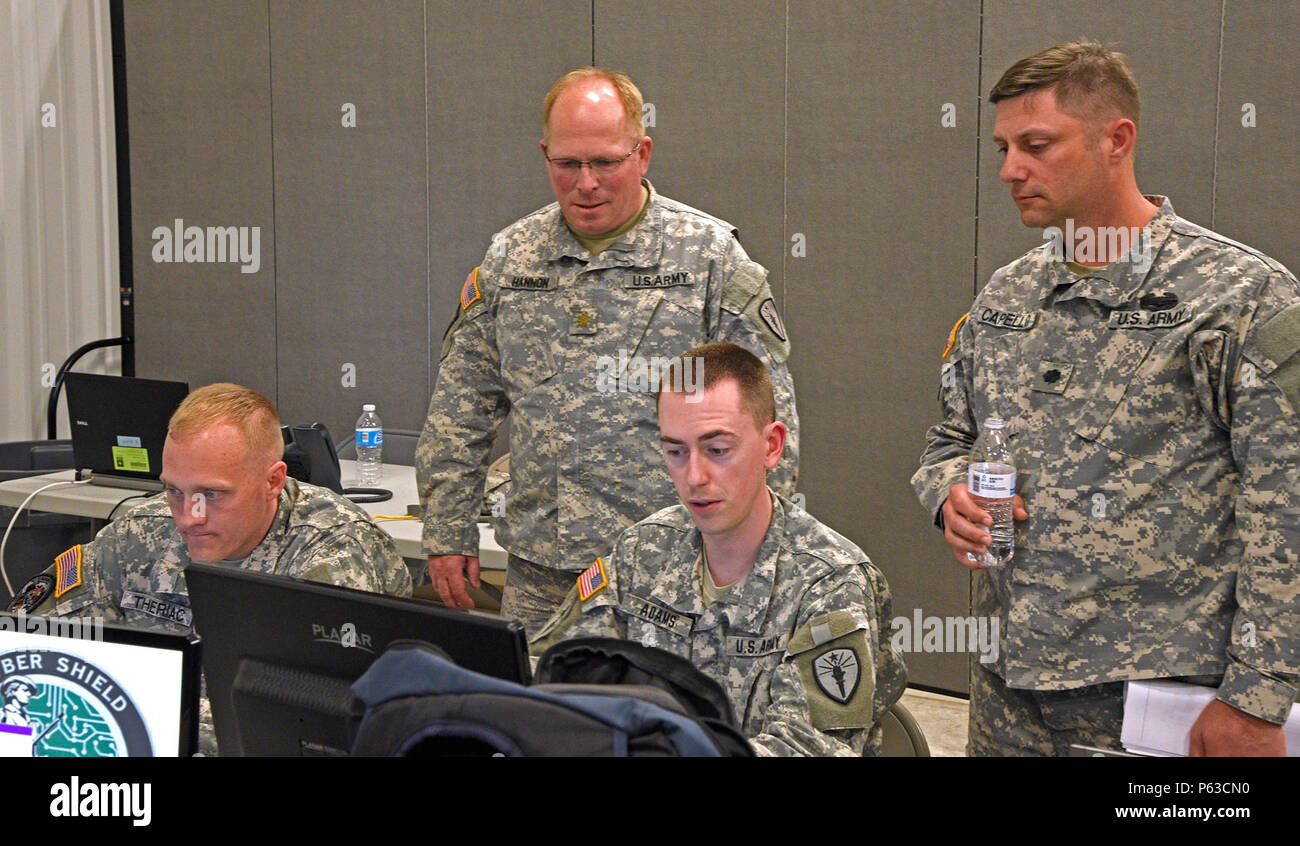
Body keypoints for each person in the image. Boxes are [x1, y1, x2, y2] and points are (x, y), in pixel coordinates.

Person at [911, 41, 1300, 756]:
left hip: (1158, 700)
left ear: (1116, 139)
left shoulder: (1237, 298)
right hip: (1009, 691)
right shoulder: (1005, 298)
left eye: (1036, 145)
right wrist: (950, 495)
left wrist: (1259, 695)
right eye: (1003, 147)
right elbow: (950, 440)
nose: (1010, 170)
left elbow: (1289, 504)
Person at [417, 67, 799, 637]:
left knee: (665, 719)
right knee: (542, 718)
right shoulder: (511, 258)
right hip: (542, 571)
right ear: (545, 155)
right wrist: (447, 529)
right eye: (567, 164)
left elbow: (769, 418)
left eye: (605, 163)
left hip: (676, 569)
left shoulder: (708, 258)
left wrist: (762, 558)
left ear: (642, 153)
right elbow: (462, 405)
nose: (586, 183)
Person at [532, 343, 904, 756]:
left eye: (717, 450)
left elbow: (807, 748)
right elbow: (555, 677)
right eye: (675, 451)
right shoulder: (640, 551)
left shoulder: (829, 582)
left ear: (772, 445)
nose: (694, 476)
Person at [7, 383, 412, 754]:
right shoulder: (140, 533)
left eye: (211, 494)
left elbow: (320, 732)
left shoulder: (334, 554)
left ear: (273, 481)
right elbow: (27, 642)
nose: (188, 517)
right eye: (174, 490)